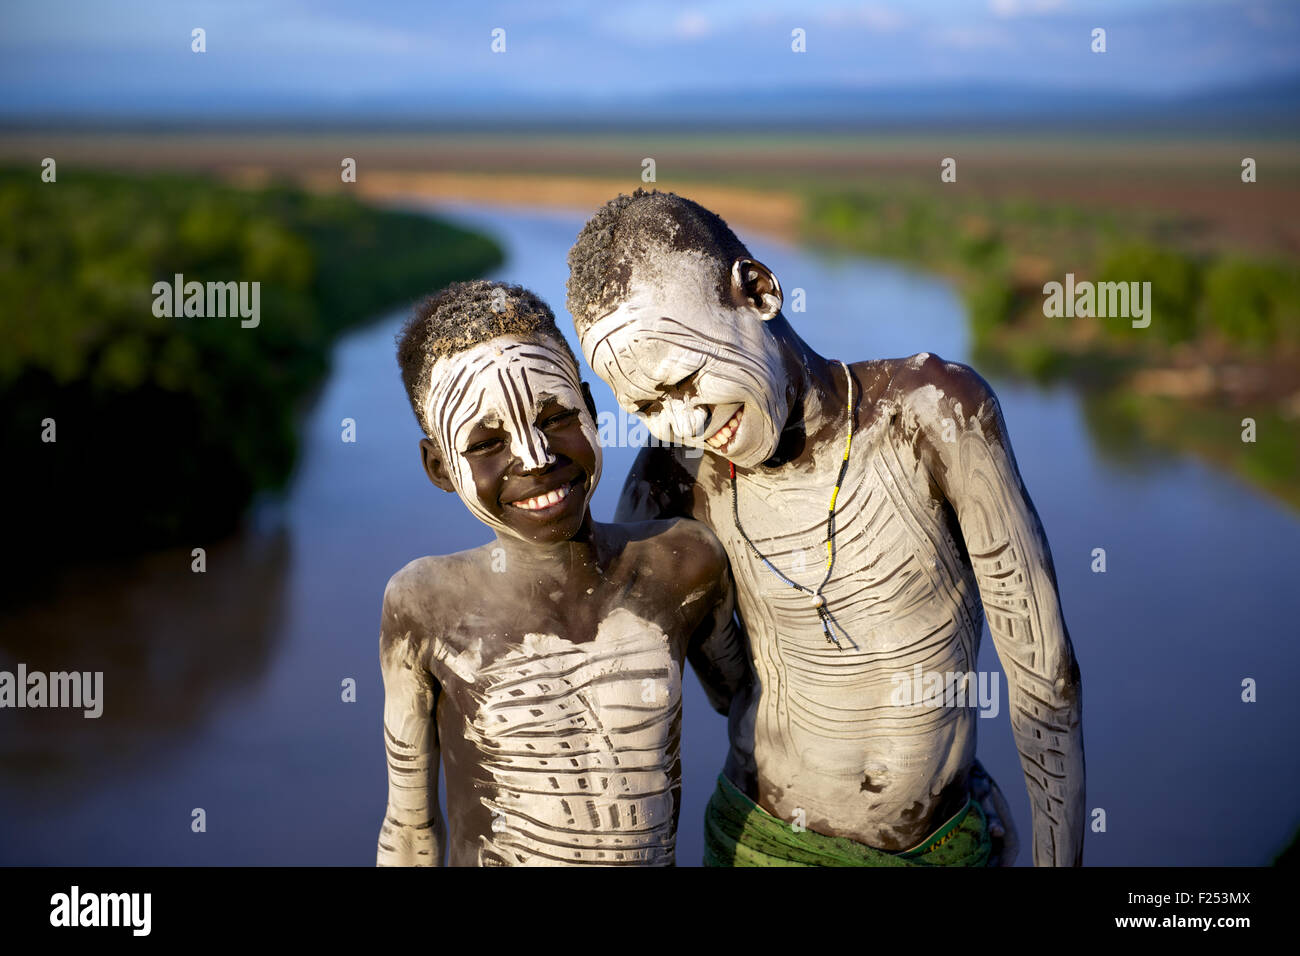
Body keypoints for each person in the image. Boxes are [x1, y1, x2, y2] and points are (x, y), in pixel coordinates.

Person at [567, 190, 1085, 866]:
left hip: (941, 840)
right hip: (760, 840)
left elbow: (1045, 672)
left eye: (689, 379)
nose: (685, 421)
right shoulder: (674, 478)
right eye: (647, 406)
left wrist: (1058, 853)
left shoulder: (931, 412)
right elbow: (619, 702)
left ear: (756, 291)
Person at [377, 279, 747, 866]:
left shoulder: (684, 563)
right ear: (439, 466)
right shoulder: (425, 603)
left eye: (553, 418)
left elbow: (750, 711)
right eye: (486, 442)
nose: (535, 457)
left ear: (591, 409)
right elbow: (410, 827)